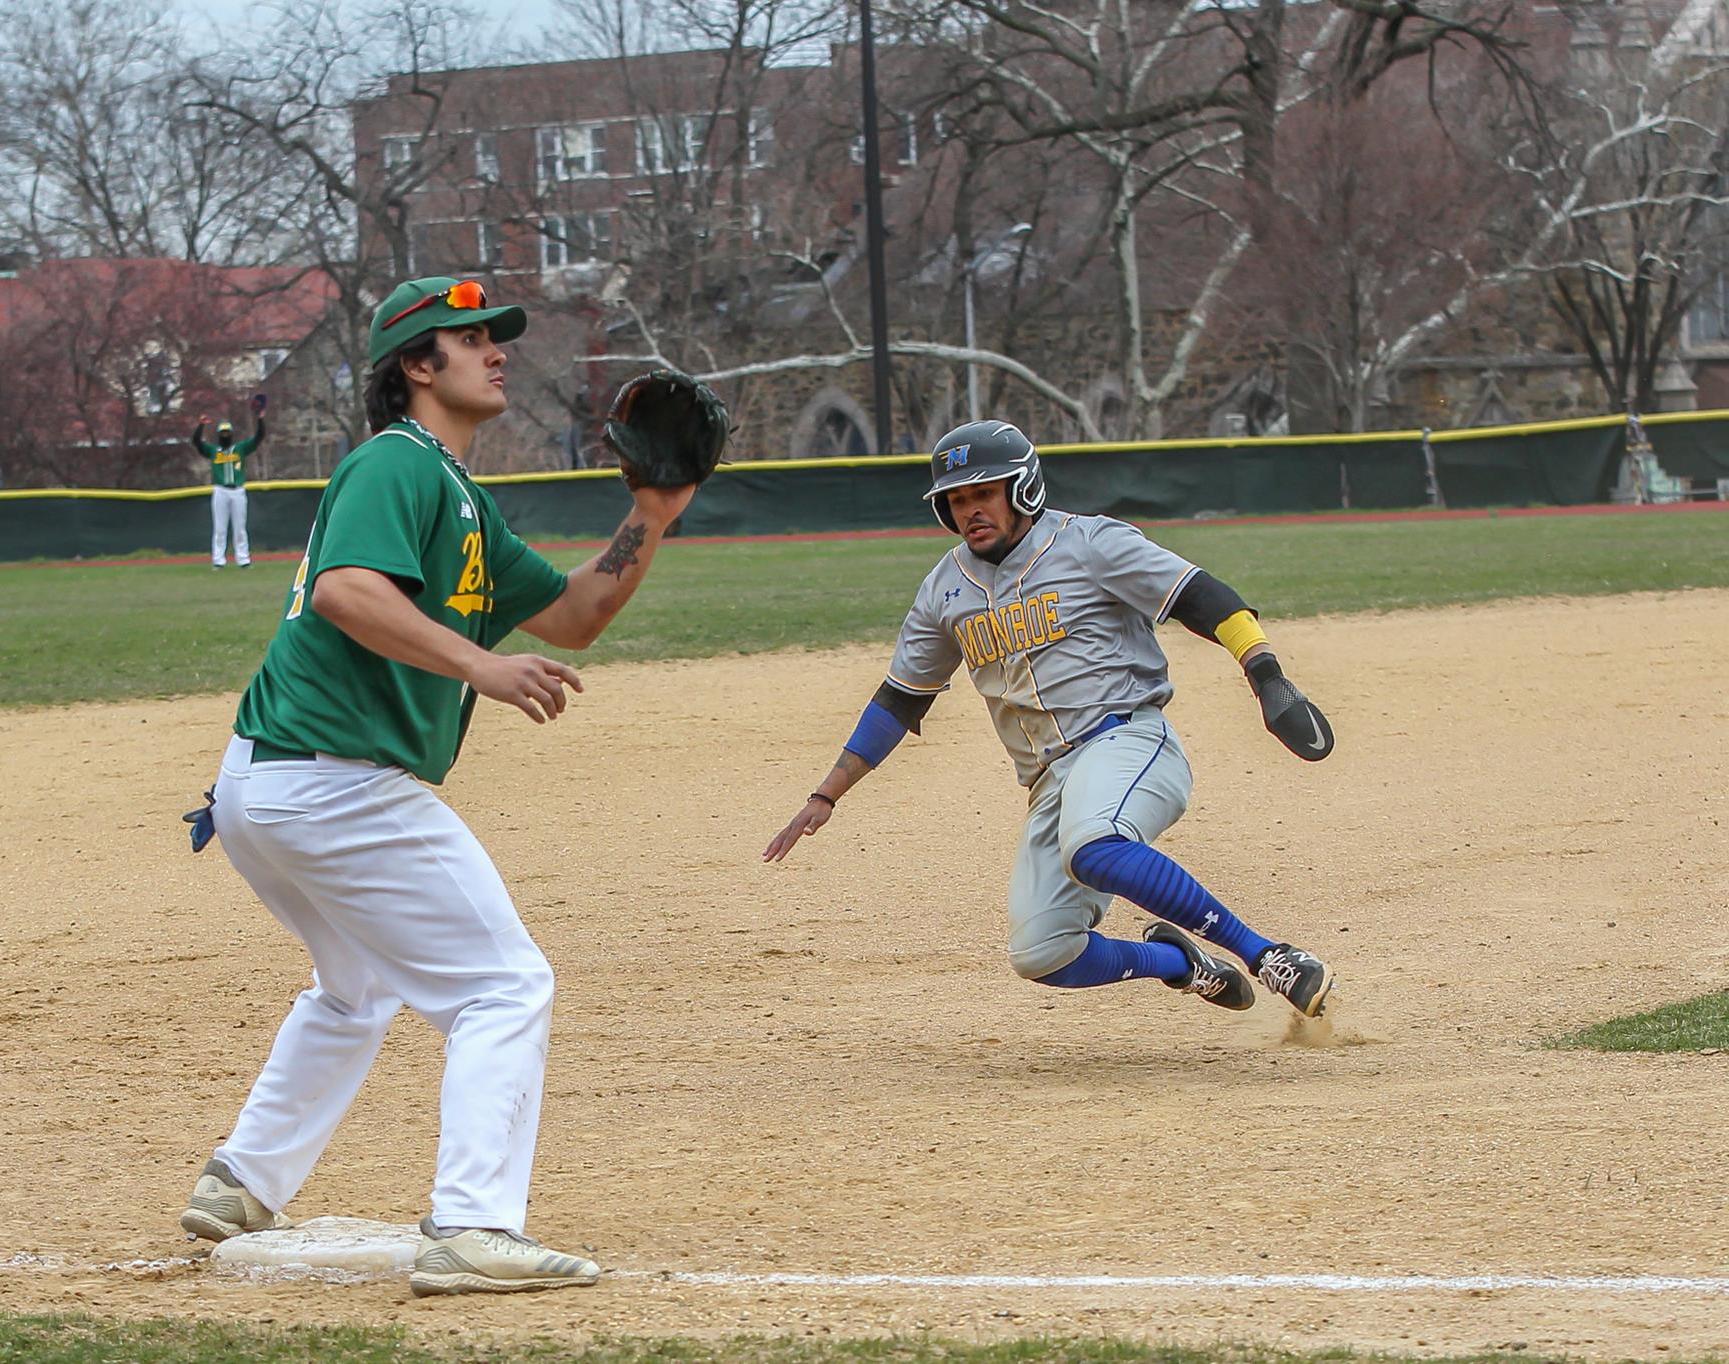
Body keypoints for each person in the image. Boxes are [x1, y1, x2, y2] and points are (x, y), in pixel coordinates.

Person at [179, 277, 697, 1297]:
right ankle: (473, 1224)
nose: (496, 351)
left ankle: (242, 1179)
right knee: (505, 983)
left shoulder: (459, 500)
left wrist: (653, 510)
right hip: (332, 781)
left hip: (275, 784)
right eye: (469, 339)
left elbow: (576, 615)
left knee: (358, 984)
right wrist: (478, 665)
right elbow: (343, 589)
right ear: (417, 367)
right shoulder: (394, 463)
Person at [764, 419, 1338, 1020]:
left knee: (1096, 846)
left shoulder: (1089, 544)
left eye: (983, 493)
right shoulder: (943, 590)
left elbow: (1201, 595)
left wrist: (1266, 675)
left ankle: (1268, 956)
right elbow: (901, 698)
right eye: (956, 500)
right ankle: (1181, 965)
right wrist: (826, 793)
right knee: (1042, 952)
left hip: (1126, 741)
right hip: (1048, 783)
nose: (970, 511)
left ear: (1022, 488)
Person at [193, 400, 266, 568]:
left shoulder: (240, 449)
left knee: (240, 528)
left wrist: (260, 419)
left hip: (238, 490)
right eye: (222, 432)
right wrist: (200, 425)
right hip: (220, 490)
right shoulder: (214, 450)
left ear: (231, 433)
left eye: (227, 432)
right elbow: (197, 442)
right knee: (220, 528)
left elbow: (259, 437)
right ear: (219, 434)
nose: (225, 435)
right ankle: (218, 560)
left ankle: (243, 559)